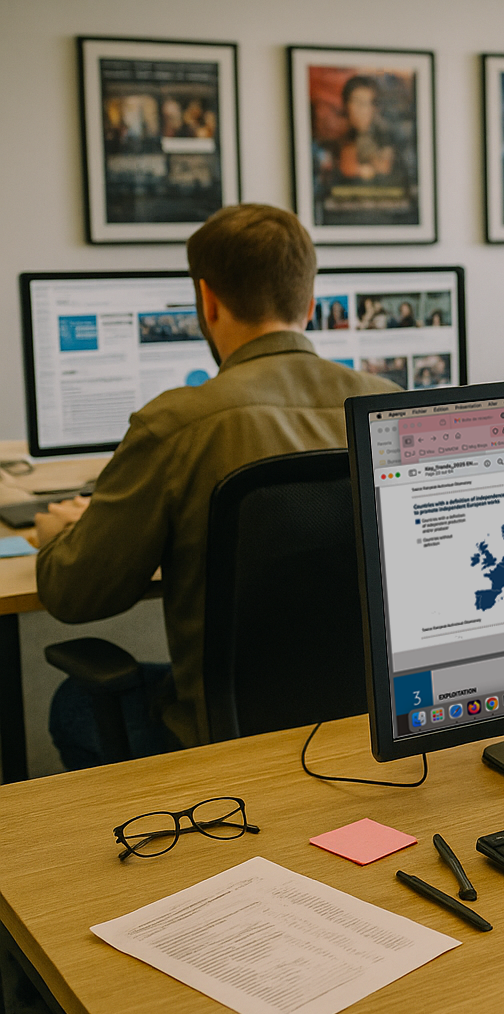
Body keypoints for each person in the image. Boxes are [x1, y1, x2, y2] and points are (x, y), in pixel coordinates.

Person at [34, 204, 398, 769]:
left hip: (229, 742)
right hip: (374, 728)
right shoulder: (389, 406)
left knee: (73, 703)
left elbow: (76, 596)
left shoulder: (176, 424)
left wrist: (63, 538)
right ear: (308, 302)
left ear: (207, 301)